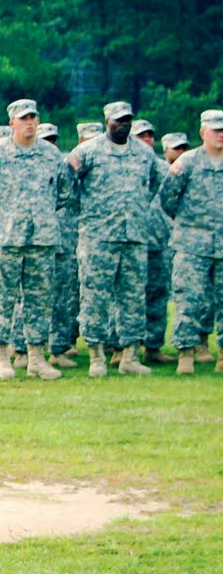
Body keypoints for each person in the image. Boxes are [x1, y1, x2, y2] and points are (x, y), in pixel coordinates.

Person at [0, 99, 72, 380]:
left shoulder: (51, 155)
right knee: (1, 299)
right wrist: (2, 211)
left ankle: (36, 357)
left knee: (39, 300)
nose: (29, 123)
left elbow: (64, 192)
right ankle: (0, 356)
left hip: (41, 240)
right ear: (12, 123)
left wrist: (42, 213)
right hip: (4, 240)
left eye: (33, 117)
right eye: (23, 118)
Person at [64, 102, 164, 377]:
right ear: (106, 121)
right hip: (98, 238)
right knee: (95, 297)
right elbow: (68, 184)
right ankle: (97, 355)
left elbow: (155, 183)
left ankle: (129, 355)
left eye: (127, 120)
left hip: (133, 236)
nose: (124, 124)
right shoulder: (87, 151)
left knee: (133, 297)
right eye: (118, 120)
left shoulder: (144, 153)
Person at [160, 111, 223, 375]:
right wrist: (191, 226)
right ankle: (185, 353)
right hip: (191, 244)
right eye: (215, 129)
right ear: (202, 133)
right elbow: (168, 200)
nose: (220, 134)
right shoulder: (187, 162)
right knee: (188, 299)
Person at [133, 120, 175, 365]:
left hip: (158, 241)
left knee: (158, 295)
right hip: (130, 240)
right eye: (142, 135)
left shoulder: (162, 168)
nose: (148, 140)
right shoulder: (123, 166)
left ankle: (153, 346)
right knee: (128, 296)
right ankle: (121, 346)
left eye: (150, 135)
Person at [39, 123, 81, 366]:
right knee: (31, 297)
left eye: (53, 140)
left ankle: (59, 348)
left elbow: (69, 197)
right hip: (35, 242)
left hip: (63, 241)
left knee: (63, 297)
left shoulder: (63, 167)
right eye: (46, 139)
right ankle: (23, 348)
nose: (50, 144)